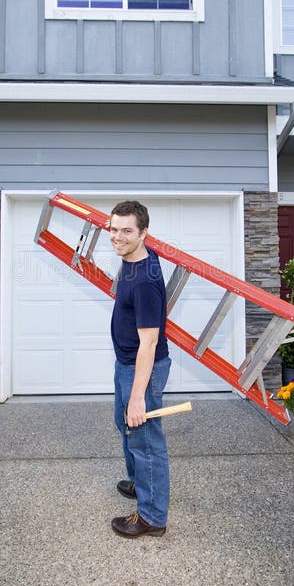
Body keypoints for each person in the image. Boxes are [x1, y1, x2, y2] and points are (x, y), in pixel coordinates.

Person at [109, 199, 171, 538]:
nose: (117, 237)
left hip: (141, 369)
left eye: (126, 231)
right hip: (126, 364)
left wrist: (138, 397)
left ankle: (151, 517)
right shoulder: (131, 259)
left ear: (143, 233)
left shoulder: (145, 280)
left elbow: (149, 343)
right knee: (125, 425)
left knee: (145, 439)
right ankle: (141, 483)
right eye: (113, 229)